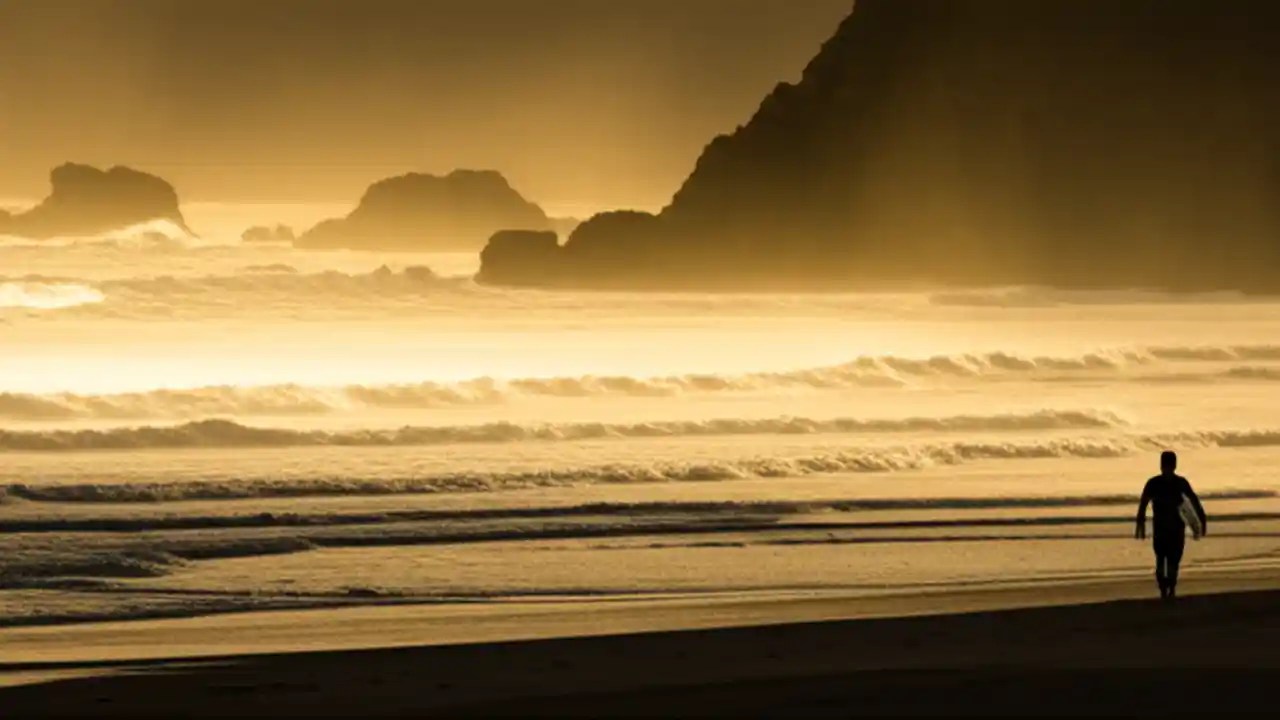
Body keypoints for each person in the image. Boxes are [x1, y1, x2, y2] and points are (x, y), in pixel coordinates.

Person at [1135, 451, 1207, 600]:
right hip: (1171, 529)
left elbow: (1143, 505)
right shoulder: (1179, 482)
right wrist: (1201, 521)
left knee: (1166, 559)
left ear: (1161, 465)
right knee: (1169, 559)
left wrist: (1140, 526)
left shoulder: (1154, 483)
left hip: (1164, 529)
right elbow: (1194, 502)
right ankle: (1168, 589)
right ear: (1175, 465)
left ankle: (1167, 589)